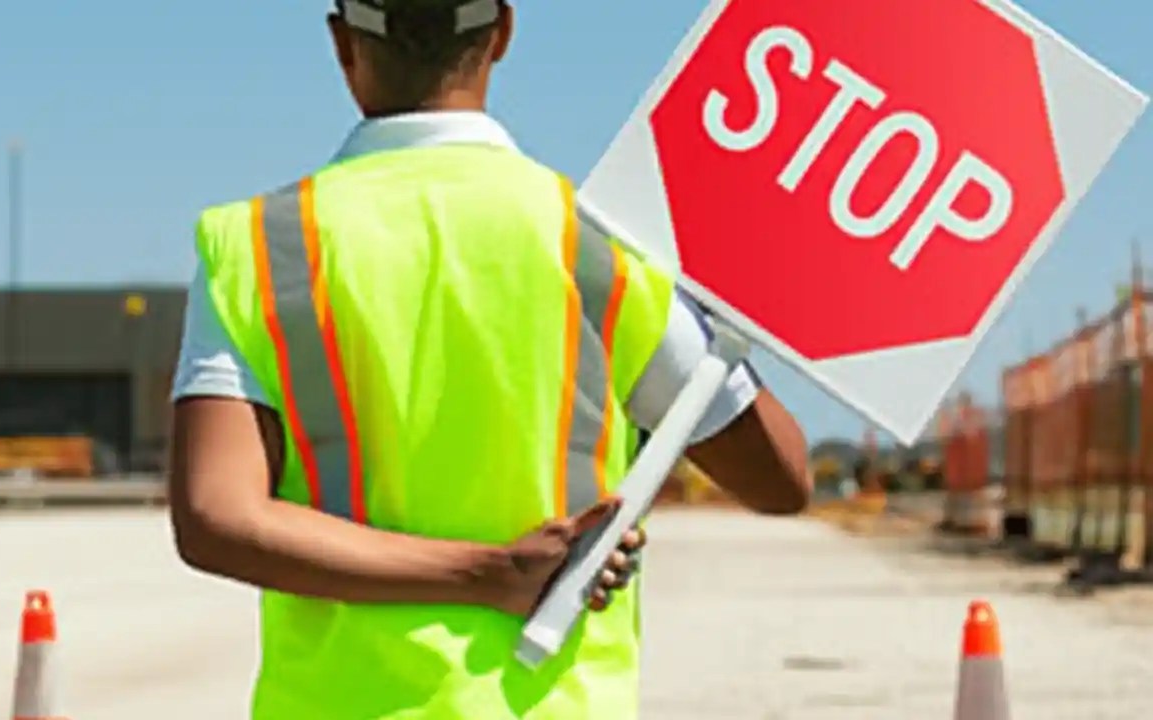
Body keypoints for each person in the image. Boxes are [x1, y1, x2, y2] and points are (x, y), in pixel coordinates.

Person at [166, 1, 810, 718]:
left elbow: (215, 517)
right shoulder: (604, 248)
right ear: (502, 32)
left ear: (343, 43)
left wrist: (482, 575)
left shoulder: (257, 245)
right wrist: (717, 312)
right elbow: (782, 479)